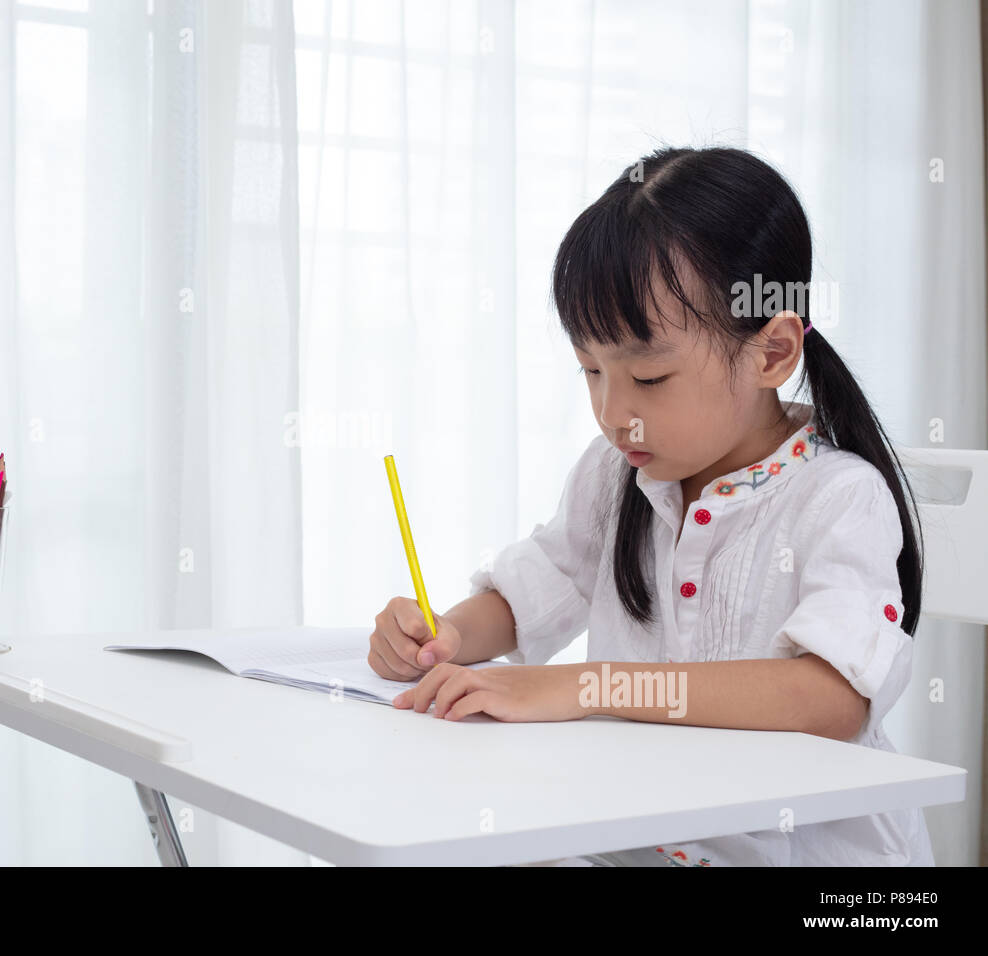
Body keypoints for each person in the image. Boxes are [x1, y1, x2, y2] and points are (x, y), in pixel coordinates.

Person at [369, 145, 933, 866]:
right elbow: (540, 584)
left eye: (650, 376)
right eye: (591, 371)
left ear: (772, 351)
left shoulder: (839, 497)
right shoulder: (616, 474)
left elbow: (828, 698)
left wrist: (588, 688)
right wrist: (444, 636)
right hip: (641, 840)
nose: (612, 411)